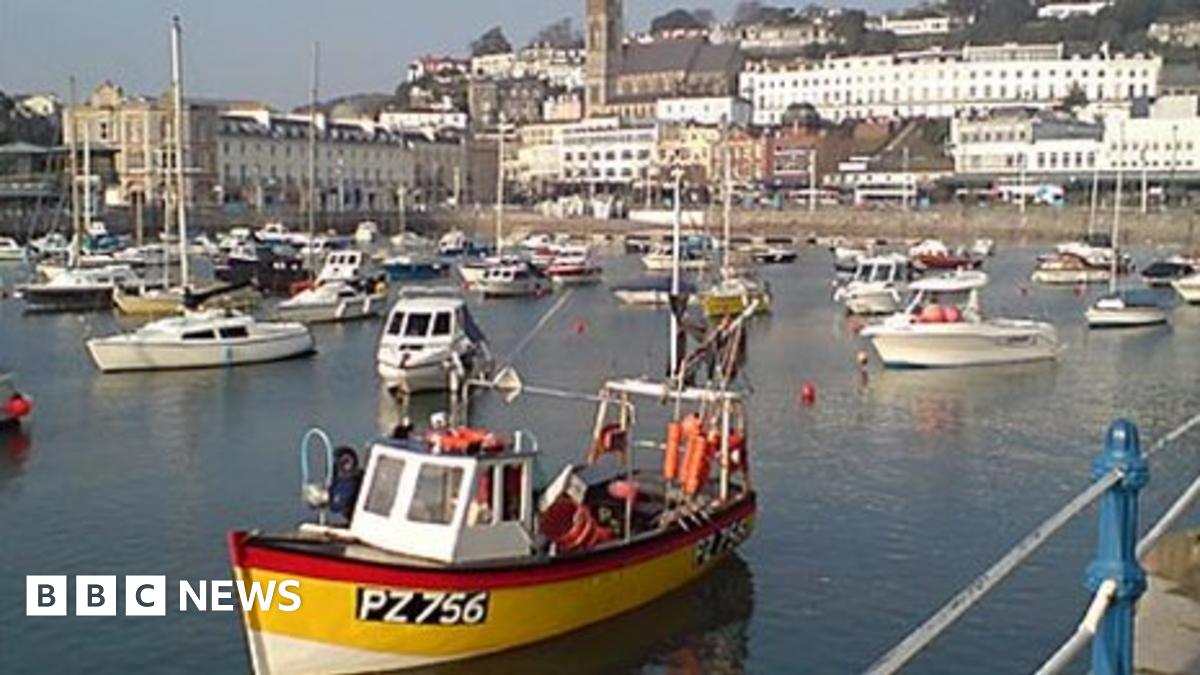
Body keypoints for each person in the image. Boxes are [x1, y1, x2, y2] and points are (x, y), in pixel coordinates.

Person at [328, 446, 364, 524]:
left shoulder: (362, 479)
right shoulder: (338, 484)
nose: (345, 465)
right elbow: (335, 506)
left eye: (346, 462)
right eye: (341, 463)